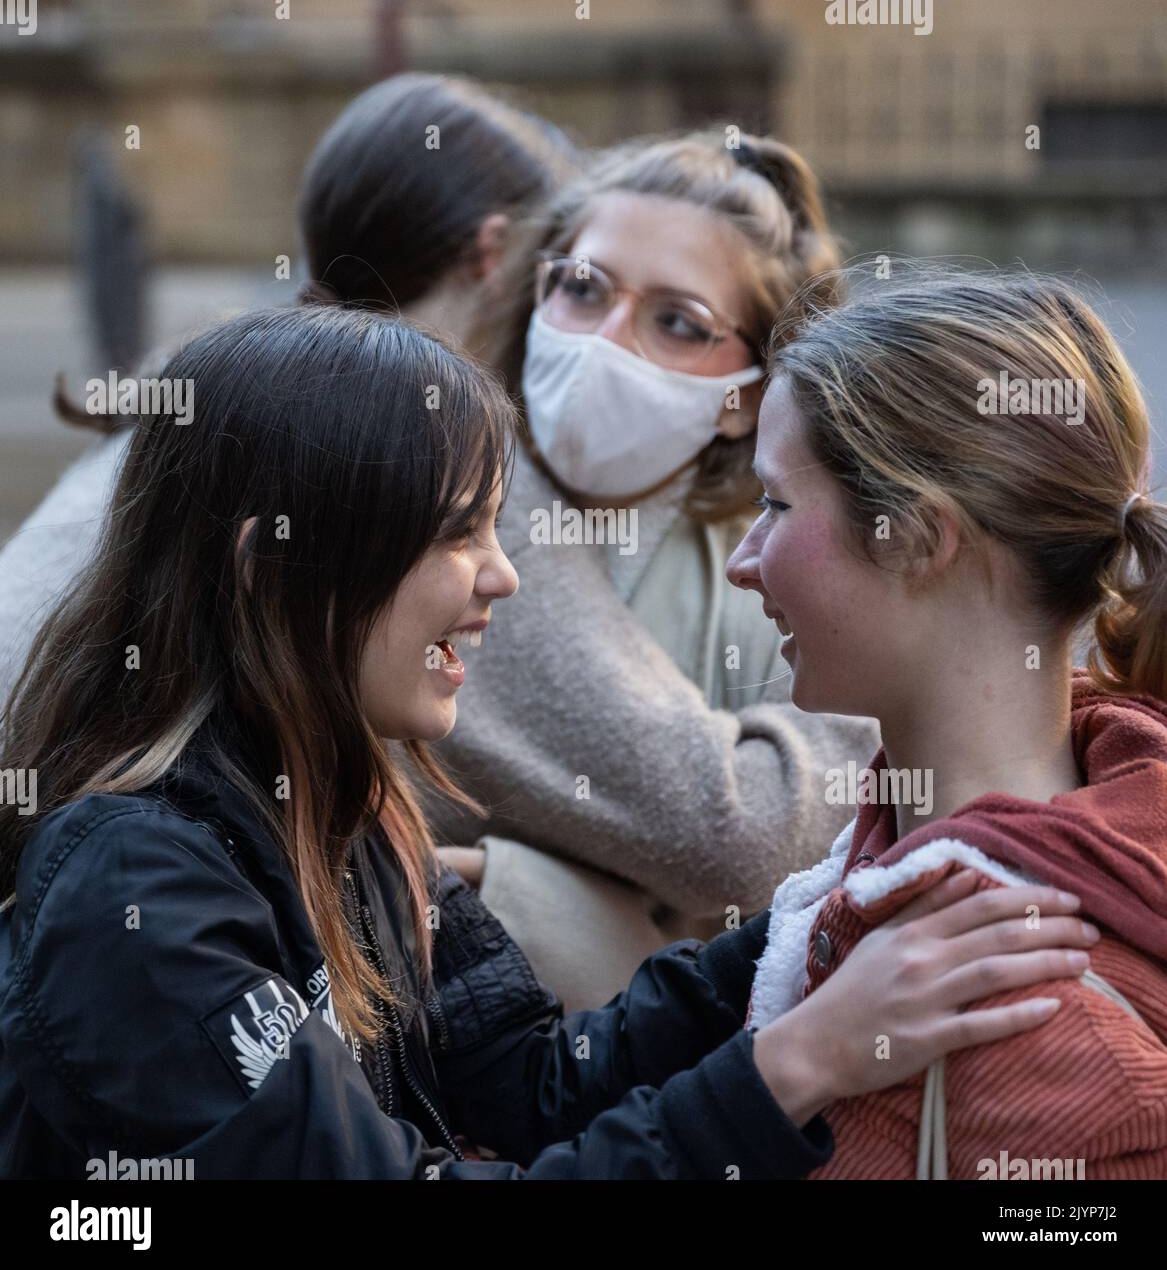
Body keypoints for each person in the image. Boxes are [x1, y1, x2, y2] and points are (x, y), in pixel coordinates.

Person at [0, 306, 1100, 1179]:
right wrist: (797, 1064)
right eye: (454, 532)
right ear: (271, 568)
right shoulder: (135, 890)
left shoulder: (349, 815)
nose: (503, 577)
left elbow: (531, 1089)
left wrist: (818, 924)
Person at [426, 130, 880, 1009]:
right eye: (582, 288)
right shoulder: (434, 500)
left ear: (745, 396)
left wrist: (500, 880)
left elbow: (766, 895)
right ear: (535, 288)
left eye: (677, 323)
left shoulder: (768, 576)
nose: (604, 341)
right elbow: (743, 844)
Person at [729, 269, 1167, 1179]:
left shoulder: (1051, 1041)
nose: (744, 560)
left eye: (773, 504)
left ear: (919, 538)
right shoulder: (897, 867)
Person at [0, 71, 576, 705]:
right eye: (551, 275)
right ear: (492, 254)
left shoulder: (229, 381)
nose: (555, 315)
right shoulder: (389, 446)